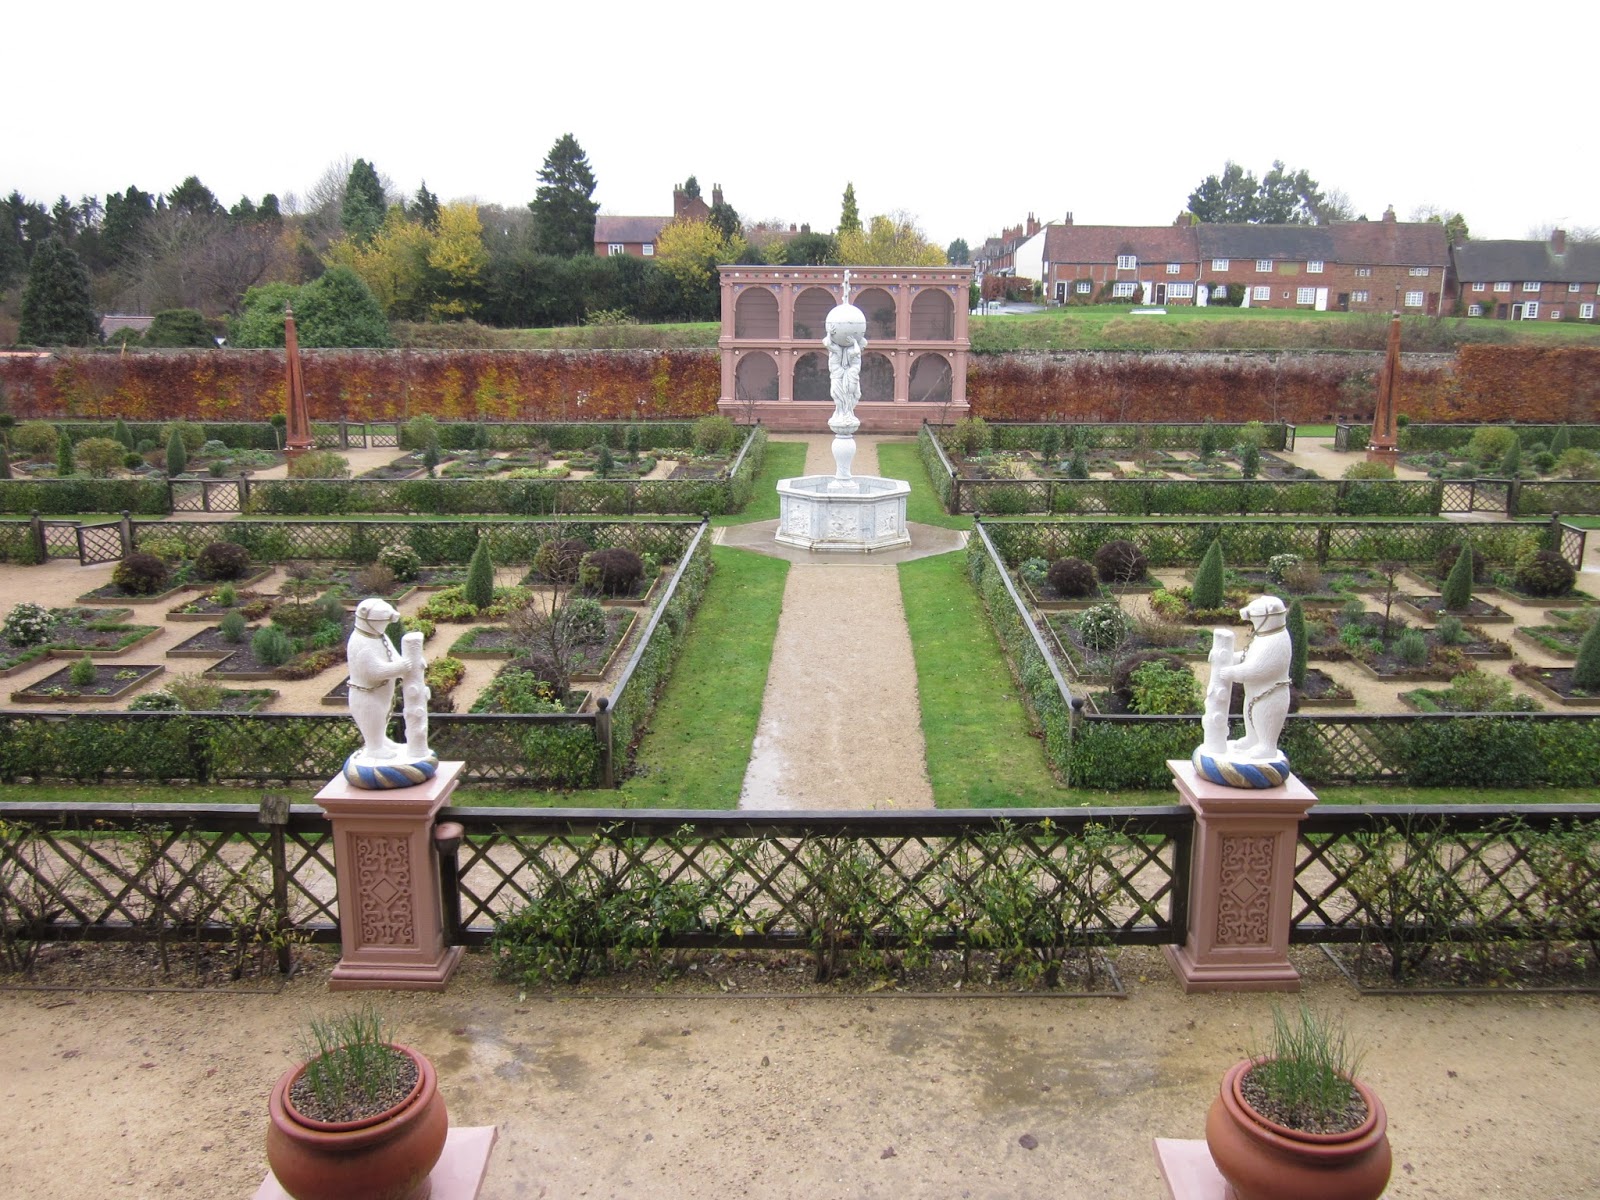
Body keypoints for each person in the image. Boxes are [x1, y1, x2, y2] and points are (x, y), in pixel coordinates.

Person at [346, 597, 412, 762]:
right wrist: (401, 668)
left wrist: (404, 664)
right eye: (383, 621)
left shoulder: (379, 636)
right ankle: (374, 747)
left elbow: (393, 655)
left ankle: (381, 740)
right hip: (367, 695)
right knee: (372, 717)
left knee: (382, 716)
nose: (386, 625)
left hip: (382, 693)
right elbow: (374, 672)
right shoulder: (360, 643)